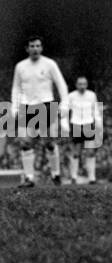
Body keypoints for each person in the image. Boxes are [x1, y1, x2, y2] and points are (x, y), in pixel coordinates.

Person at [10, 37, 70, 188]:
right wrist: (14, 107)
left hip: (46, 104)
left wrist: (64, 103)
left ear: (42, 48)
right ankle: (29, 178)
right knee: (25, 142)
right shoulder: (20, 66)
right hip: (27, 106)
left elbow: (61, 84)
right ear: (27, 48)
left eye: (38, 46)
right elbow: (16, 87)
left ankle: (55, 174)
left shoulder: (49, 64)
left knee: (49, 142)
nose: (35, 48)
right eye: (32, 46)